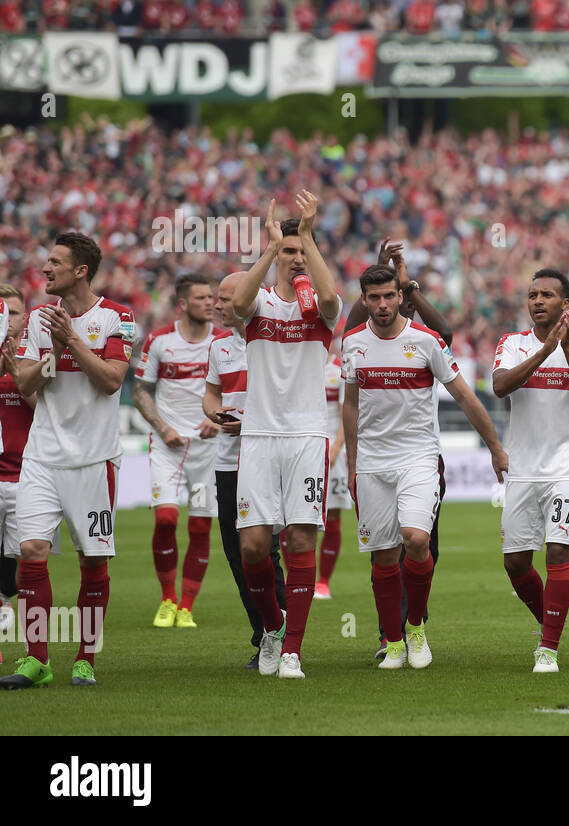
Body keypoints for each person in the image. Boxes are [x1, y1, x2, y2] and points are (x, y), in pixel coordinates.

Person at [343, 264, 507, 670]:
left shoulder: (427, 341)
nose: (382, 305)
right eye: (374, 298)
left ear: (401, 297)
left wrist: (495, 448)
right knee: (383, 556)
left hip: (418, 457)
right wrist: (351, 461)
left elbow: (467, 398)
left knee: (416, 540)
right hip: (372, 462)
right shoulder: (352, 343)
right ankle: (393, 641)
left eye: (389, 296)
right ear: (364, 300)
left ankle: (415, 627)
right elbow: (349, 403)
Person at [1, 232, 134, 689]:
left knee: (93, 563)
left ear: (80, 270)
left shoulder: (118, 317)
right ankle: (36, 659)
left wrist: (73, 343)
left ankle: (85, 659)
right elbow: (24, 385)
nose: (45, 269)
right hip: (42, 458)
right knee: (31, 553)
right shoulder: (40, 319)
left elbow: (112, 381)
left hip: (95, 462)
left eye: (55, 262)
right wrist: (54, 353)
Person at [231, 191, 341, 680]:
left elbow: (335, 299)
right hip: (258, 436)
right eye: (290, 250)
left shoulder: (321, 309)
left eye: (302, 250)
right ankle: (273, 627)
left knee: (298, 539)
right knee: (253, 546)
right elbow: (236, 302)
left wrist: (308, 237)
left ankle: (292, 649)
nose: (295, 257)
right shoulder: (258, 304)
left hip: (305, 436)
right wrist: (272, 248)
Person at [492, 269, 569, 673]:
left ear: (565, 304)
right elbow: (501, 386)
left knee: (558, 551)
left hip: (566, 468)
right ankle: (551, 621)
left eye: (547, 295)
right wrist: (545, 351)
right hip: (522, 469)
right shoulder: (511, 344)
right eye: (532, 294)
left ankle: (548, 647)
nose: (537, 301)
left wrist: (568, 348)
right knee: (516, 564)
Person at [203, 272, 289, 669]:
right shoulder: (219, 348)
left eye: (223, 298)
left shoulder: (271, 339)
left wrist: (251, 420)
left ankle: (278, 633)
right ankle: (264, 630)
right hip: (226, 460)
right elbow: (211, 394)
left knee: (265, 550)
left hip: (266, 455)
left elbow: (288, 397)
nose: (216, 305)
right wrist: (213, 413)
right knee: (236, 553)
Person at [134, 273, 219, 629]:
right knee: (166, 518)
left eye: (212, 297)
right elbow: (140, 391)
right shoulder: (159, 342)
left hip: (208, 449)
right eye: (201, 298)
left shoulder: (225, 342)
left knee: (200, 525)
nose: (211, 303)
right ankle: (167, 598)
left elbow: (240, 388)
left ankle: (186, 605)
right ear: (183, 304)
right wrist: (163, 427)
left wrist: (221, 418)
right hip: (168, 446)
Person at [0, 284, 32, 658]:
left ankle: (32, 647)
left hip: (28, 476)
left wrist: (18, 373)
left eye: (15, 313)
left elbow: (47, 411)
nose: (8, 321)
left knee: (30, 560)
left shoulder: (36, 355)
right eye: (2, 313)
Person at [313, 346, 348, 600]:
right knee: (291, 515)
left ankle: (323, 581)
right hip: (303, 447)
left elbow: (348, 411)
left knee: (333, 514)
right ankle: (296, 576)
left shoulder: (339, 369)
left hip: (332, 452)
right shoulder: (299, 364)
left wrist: (336, 446)